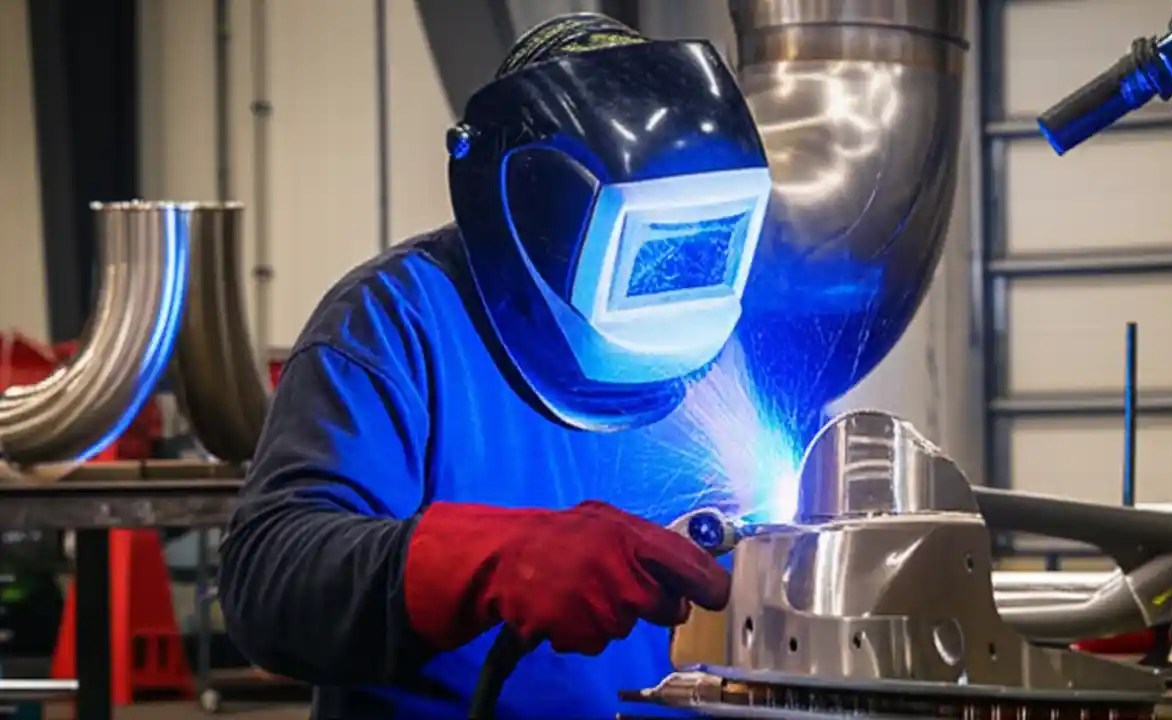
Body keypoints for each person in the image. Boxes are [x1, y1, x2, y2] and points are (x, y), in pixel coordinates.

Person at [217, 13, 774, 719]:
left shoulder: (720, 334)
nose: (675, 278)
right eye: (652, 248)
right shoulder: (398, 324)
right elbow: (268, 582)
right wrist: (488, 564)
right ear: (539, 210)